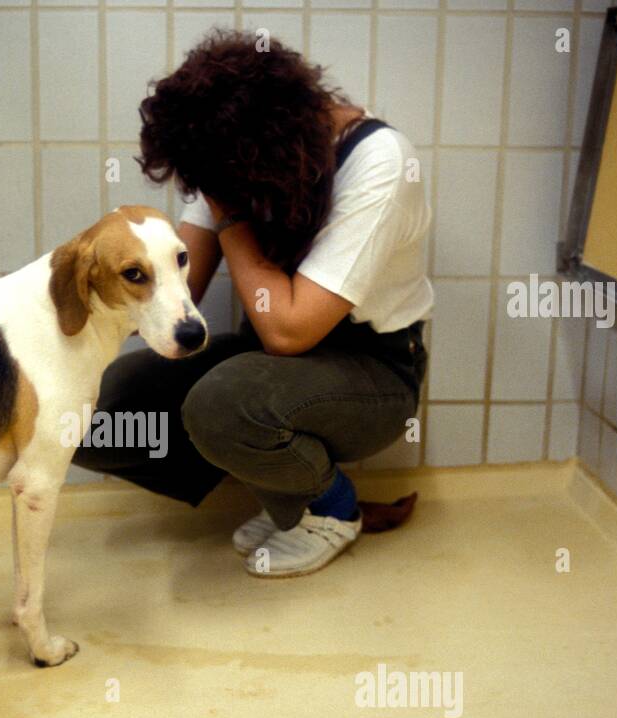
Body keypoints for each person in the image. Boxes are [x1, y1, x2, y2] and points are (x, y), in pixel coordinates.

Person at [72, 29, 433, 578]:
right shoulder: (229, 149)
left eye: (212, 181)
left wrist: (232, 210)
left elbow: (288, 332)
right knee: (91, 418)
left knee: (224, 403)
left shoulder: (379, 161)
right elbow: (178, 293)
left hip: (375, 370)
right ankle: (286, 495)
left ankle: (332, 509)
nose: (206, 190)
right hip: (271, 362)